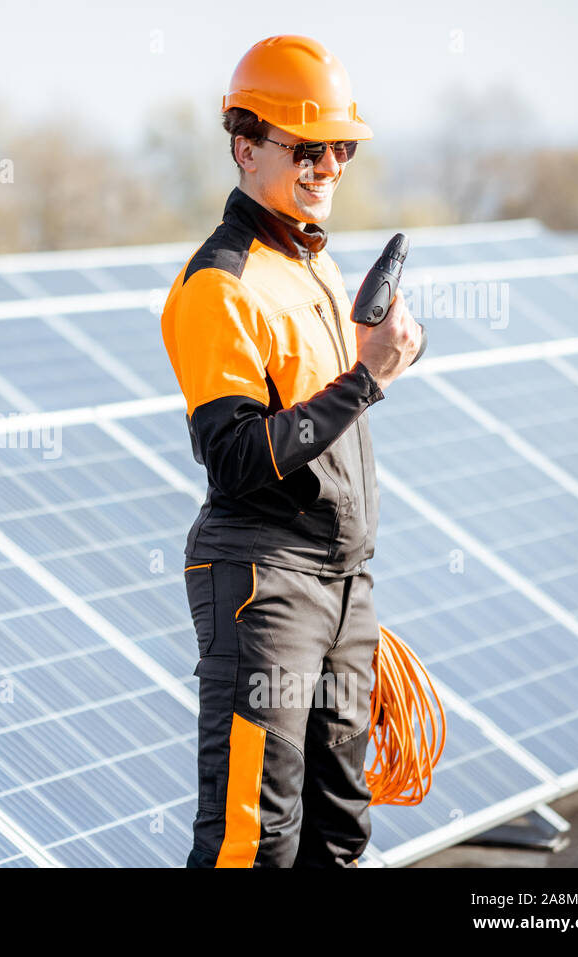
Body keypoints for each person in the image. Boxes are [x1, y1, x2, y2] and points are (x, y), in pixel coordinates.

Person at [160, 34, 424, 867]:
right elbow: (236, 458)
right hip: (264, 585)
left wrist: (373, 354)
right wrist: (366, 380)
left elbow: (316, 414)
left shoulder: (310, 262)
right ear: (245, 146)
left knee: (340, 828)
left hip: (342, 585)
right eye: (307, 148)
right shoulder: (219, 284)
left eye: (341, 147)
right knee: (255, 841)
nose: (329, 166)